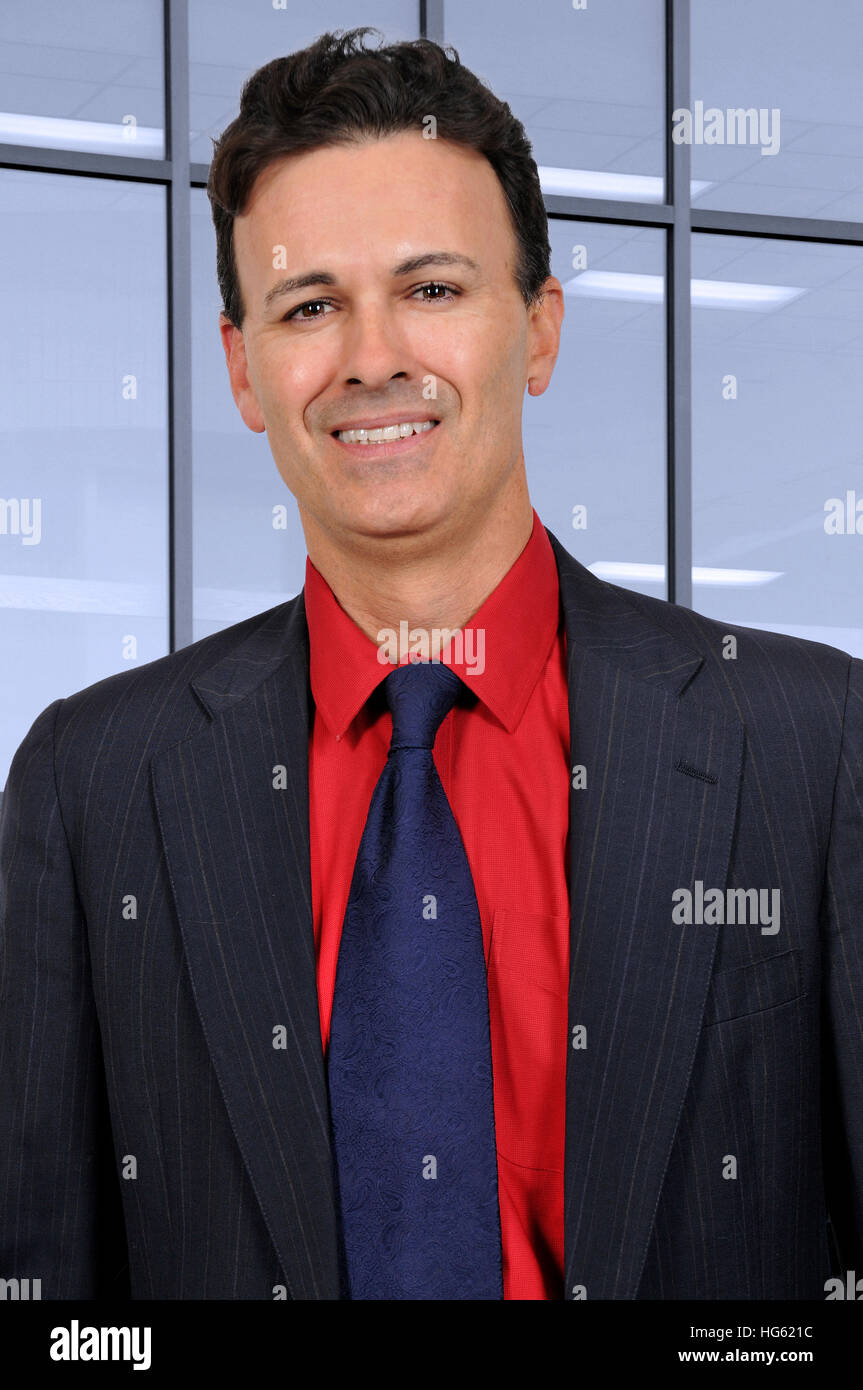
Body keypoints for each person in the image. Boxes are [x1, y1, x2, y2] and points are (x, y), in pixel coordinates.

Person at [1, 26, 861, 1302]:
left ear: (539, 332)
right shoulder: (93, 782)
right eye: (309, 306)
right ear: (244, 370)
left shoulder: (810, 745)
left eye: (433, 290)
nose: (371, 357)